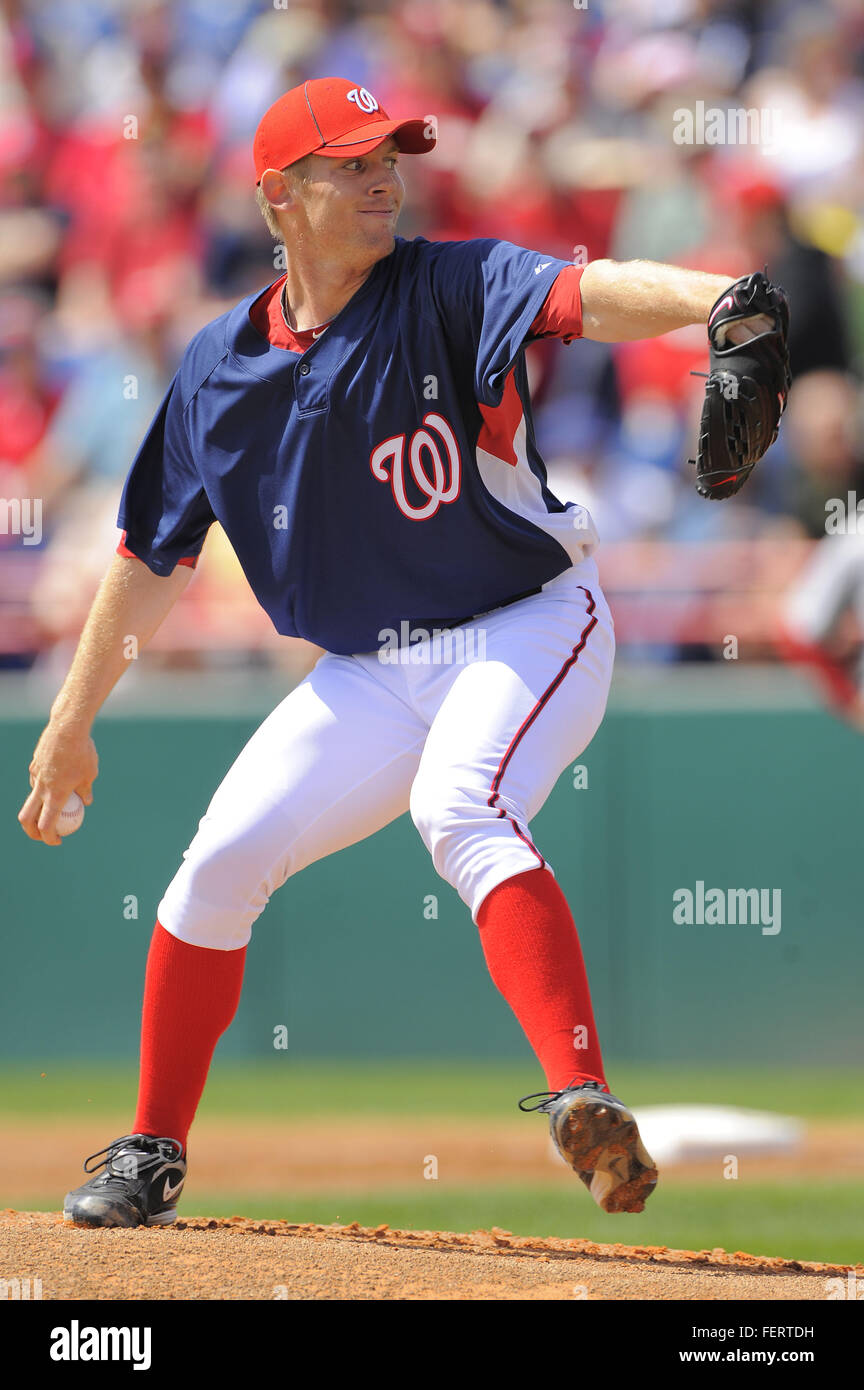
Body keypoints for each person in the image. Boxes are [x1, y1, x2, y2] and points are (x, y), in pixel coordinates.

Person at [19, 77, 768, 1227]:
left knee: (459, 806)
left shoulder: (448, 282)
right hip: (371, 665)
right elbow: (149, 555)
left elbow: (588, 294)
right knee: (213, 870)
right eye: (352, 162)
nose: (384, 177)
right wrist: (69, 726)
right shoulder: (217, 369)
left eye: (392, 156)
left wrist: (724, 303)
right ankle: (151, 1152)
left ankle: (580, 1094)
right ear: (278, 196)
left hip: (526, 616)